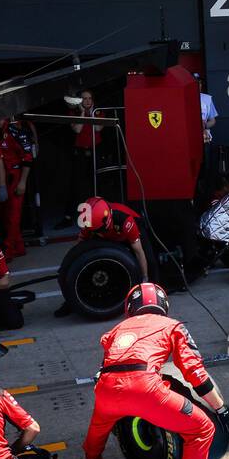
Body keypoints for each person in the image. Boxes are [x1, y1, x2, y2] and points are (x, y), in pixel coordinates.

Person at [84, 283, 229, 459]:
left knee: (98, 428)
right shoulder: (173, 326)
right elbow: (194, 372)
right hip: (146, 389)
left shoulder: (116, 329)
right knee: (203, 429)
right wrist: (220, 408)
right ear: (163, 306)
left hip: (107, 389)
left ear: (130, 308)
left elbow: (110, 366)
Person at [54, 196, 151, 318]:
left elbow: (138, 251)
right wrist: (68, 270)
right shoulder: (90, 221)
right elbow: (79, 247)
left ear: (107, 220)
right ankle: (71, 302)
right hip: (108, 236)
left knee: (149, 262)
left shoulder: (125, 220)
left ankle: (147, 297)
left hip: (127, 234)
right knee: (80, 264)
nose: (98, 232)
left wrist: (145, 278)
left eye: (99, 229)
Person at [0, 116, 35, 259]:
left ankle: (8, 250)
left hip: (15, 177)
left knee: (13, 215)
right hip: (0, 178)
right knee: (5, 214)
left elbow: (28, 157)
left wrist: (22, 182)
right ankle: (19, 246)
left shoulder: (15, 130)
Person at [62, 90, 103, 227]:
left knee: (95, 184)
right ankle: (69, 217)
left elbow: (98, 128)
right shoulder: (73, 113)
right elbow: (77, 129)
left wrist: (91, 113)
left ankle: (98, 214)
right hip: (79, 152)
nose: (87, 101)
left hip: (95, 150)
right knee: (76, 185)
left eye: (90, 98)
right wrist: (82, 113)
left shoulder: (98, 111)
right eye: (84, 99)